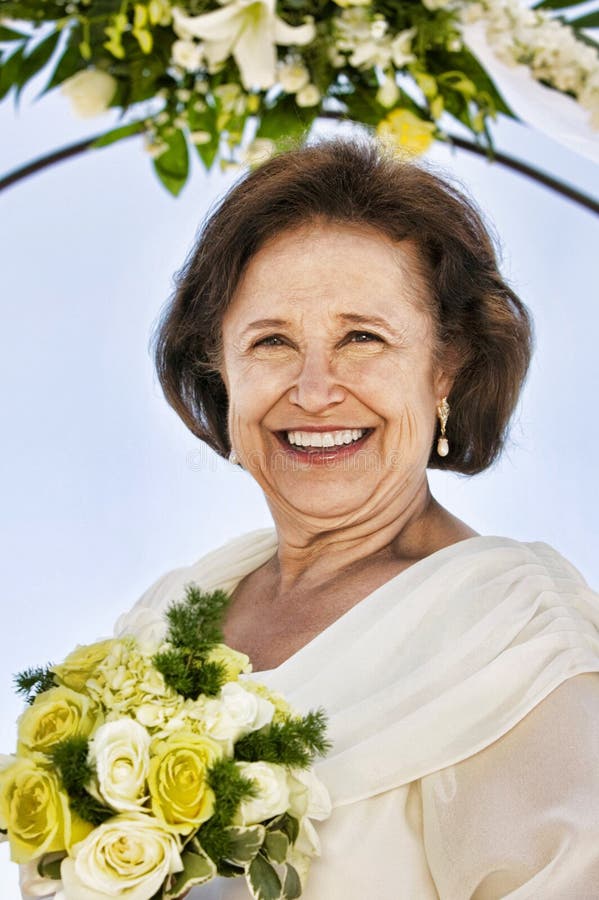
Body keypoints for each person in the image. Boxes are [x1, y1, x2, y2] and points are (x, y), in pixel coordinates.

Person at [115, 138, 599, 898]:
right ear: (220, 368)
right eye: (272, 341)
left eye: (362, 338)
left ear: (446, 366)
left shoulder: (514, 632)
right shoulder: (169, 612)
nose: (313, 391)